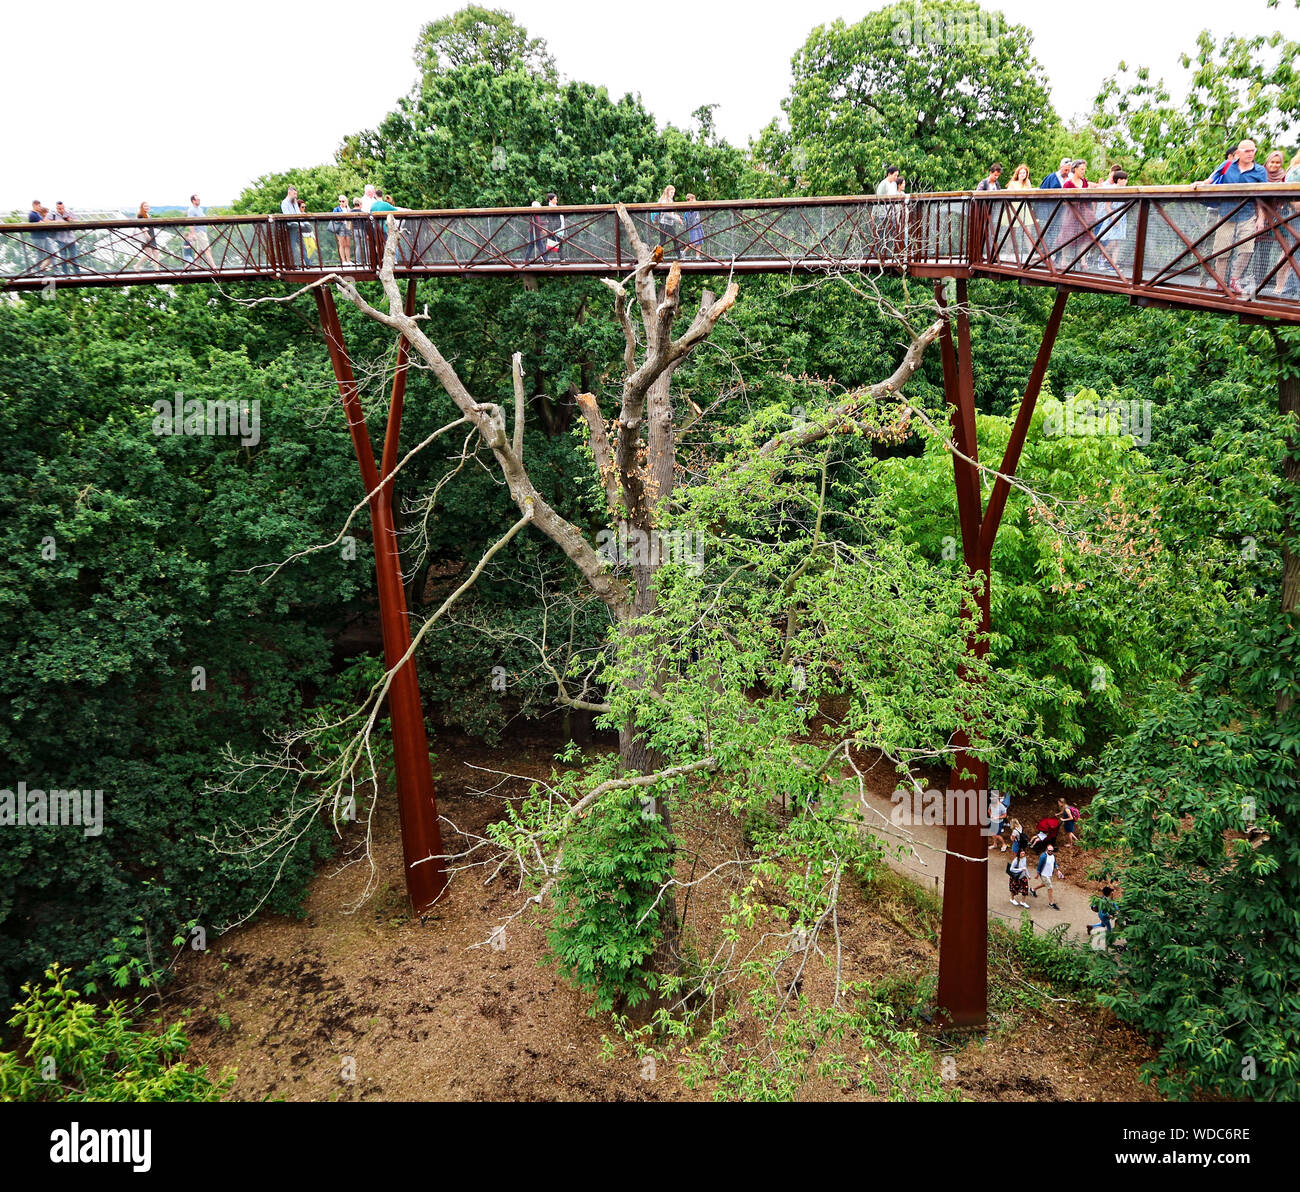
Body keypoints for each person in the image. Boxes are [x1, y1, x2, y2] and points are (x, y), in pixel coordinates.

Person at [1196, 139, 1268, 296]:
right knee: (1221, 249)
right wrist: (1198, 185)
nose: (1251, 154)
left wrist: (1261, 218)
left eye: (1253, 150)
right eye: (1247, 151)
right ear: (1238, 153)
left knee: (1247, 249)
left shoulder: (1260, 171)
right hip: (1226, 213)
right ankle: (1220, 281)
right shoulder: (1227, 165)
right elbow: (1210, 180)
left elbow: (1262, 197)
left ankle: (1235, 279)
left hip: (1248, 214)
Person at [183, 194, 216, 269]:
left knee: (199, 252)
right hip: (199, 232)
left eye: (199, 199)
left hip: (203, 232)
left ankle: (195, 267)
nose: (199, 201)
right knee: (207, 249)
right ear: (193, 201)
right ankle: (214, 267)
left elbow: (204, 219)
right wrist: (193, 234)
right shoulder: (191, 210)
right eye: (197, 200)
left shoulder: (199, 209)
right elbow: (190, 223)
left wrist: (211, 224)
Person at [650, 185, 682, 255]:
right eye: (671, 192)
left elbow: (671, 213)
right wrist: (676, 219)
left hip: (668, 224)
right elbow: (666, 214)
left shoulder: (670, 200)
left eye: (673, 193)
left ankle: (654, 255)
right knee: (673, 239)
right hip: (665, 224)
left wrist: (677, 216)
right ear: (667, 192)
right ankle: (679, 256)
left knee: (663, 241)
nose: (673, 194)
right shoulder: (664, 200)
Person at [49, 202, 78, 275]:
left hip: (71, 238)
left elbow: (77, 221)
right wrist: (56, 222)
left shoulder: (69, 212)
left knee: (74, 256)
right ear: (56, 208)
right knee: (63, 258)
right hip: (60, 239)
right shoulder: (53, 214)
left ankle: (77, 273)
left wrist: (70, 220)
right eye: (59, 208)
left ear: (64, 207)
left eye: (62, 208)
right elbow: (45, 221)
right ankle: (66, 274)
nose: (61, 210)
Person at [27, 200, 55, 274]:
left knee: (52, 253)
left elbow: (44, 222)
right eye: (39, 206)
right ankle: (38, 272)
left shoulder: (37, 214)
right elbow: (42, 223)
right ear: (34, 205)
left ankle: (41, 269)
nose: (40, 207)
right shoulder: (32, 214)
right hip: (37, 237)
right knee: (40, 255)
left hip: (44, 236)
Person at [1031, 844, 1062, 909]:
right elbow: (1039, 866)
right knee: (1050, 888)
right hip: (1044, 874)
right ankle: (1051, 903)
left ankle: (1033, 889)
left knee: (1044, 884)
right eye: (1049, 850)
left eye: (1051, 850)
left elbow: (1055, 863)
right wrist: (1037, 874)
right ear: (1046, 850)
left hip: (1049, 874)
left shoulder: (1053, 856)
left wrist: (1058, 870)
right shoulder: (1043, 856)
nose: (1050, 852)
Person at [281, 186, 305, 267]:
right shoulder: (284, 203)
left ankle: (308, 264)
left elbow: (298, 213)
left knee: (303, 246)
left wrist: (301, 223)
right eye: (294, 194)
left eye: (296, 194)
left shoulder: (294, 201)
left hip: (297, 227)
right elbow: (287, 216)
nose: (296, 196)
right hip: (290, 228)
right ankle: (293, 265)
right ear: (289, 193)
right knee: (293, 247)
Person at [541, 191, 566, 263]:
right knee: (553, 244)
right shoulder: (549, 208)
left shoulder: (555, 207)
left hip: (558, 228)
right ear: (550, 200)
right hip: (554, 229)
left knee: (556, 243)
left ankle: (561, 259)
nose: (556, 201)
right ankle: (561, 259)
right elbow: (550, 219)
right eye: (555, 199)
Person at [137, 201, 161, 270]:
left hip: (151, 235)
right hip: (146, 236)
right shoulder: (140, 215)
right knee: (149, 254)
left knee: (156, 252)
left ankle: (157, 269)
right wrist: (146, 233)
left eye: (147, 206)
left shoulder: (147, 214)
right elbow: (140, 226)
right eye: (145, 206)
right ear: (142, 207)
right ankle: (136, 266)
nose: (147, 207)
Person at [330, 194, 353, 266]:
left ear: (346, 201)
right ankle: (343, 261)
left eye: (343, 201)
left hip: (347, 226)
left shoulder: (348, 209)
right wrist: (340, 219)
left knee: (348, 244)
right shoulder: (336, 209)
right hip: (340, 227)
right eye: (340, 201)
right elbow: (333, 217)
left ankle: (348, 260)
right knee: (342, 244)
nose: (341, 203)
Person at [682, 194, 704, 258]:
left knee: (700, 242)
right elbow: (690, 219)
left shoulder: (696, 207)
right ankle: (683, 252)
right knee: (694, 242)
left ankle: (697, 256)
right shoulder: (688, 208)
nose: (695, 201)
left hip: (698, 226)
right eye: (694, 199)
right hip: (692, 228)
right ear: (691, 200)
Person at [524, 199, 547, 263]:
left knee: (539, 246)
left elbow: (538, 222)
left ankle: (546, 260)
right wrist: (542, 230)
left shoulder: (535, 214)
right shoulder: (534, 214)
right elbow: (536, 224)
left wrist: (545, 222)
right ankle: (546, 261)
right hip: (534, 233)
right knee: (535, 246)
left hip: (535, 233)